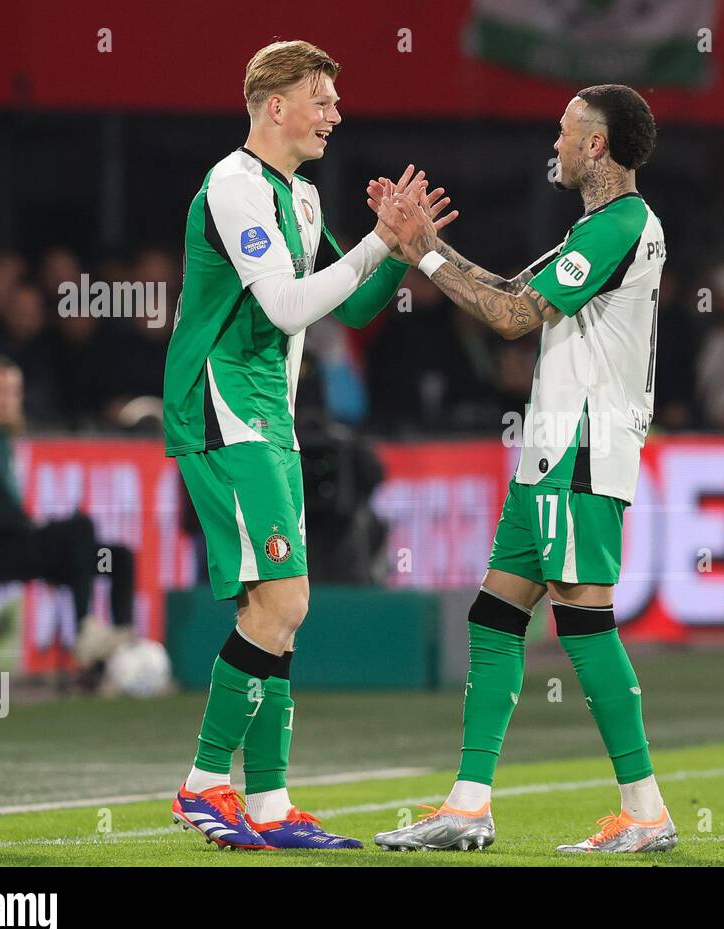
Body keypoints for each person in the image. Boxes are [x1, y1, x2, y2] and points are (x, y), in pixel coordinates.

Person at [162, 39, 455, 851]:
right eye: (321, 99)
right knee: (286, 602)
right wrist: (376, 241)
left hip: (271, 416)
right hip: (221, 408)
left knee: (276, 614)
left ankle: (268, 806)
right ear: (274, 105)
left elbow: (352, 312)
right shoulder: (231, 185)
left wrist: (401, 250)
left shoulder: (303, 196)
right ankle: (201, 784)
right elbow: (290, 309)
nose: (335, 112)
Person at [370, 84, 676, 854]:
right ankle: (469, 805)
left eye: (567, 130)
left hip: (581, 447)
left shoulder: (623, 224)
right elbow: (511, 292)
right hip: (549, 452)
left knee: (583, 621)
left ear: (597, 146)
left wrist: (424, 252)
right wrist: (421, 247)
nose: (557, 140)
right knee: (496, 617)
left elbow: (508, 320)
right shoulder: (599, 228)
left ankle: (645, 810)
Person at [0, 357, 135, 671]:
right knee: (78, 531)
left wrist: (31, 527)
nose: (5, 399)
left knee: (118, 556)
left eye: (12, 391)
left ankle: (121, 649)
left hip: (14, 547)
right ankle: (85, 632)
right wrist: (28, 526)